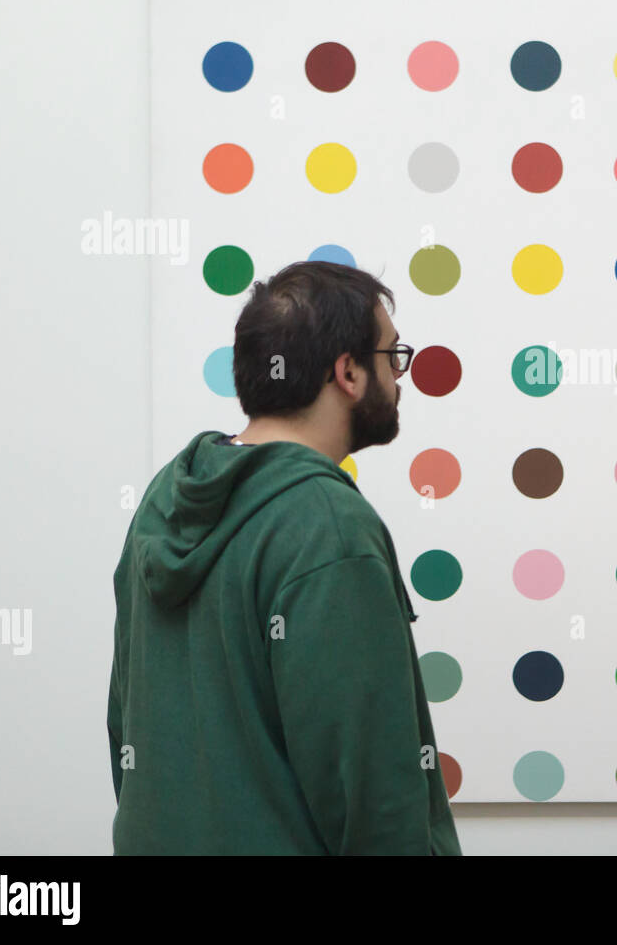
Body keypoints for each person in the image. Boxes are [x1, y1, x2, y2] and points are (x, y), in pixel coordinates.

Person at [106, 260, 461, 855]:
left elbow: (127, 729)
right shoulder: (326, 524)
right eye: (392, 357)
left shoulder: (164, 501)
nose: (400, 379)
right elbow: (373, 796)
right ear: (347, 372)